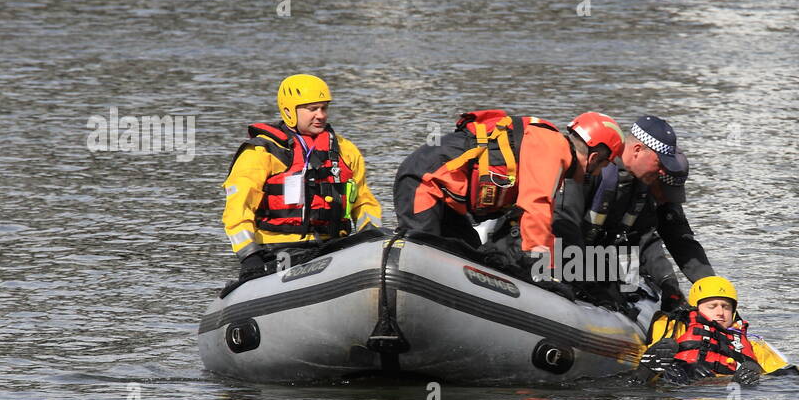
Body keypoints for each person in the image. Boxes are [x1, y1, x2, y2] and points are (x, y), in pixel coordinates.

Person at [222, 75, 381, 280]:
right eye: (312, 109)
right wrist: (249, 255)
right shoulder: (263, 152)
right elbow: (238, 208)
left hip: (334, 249)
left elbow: (364, 202)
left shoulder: (345, 150)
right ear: (289, 111)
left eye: (324, 108)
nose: (321, 115)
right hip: (279, 252)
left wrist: (370, 234)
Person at [393, 110, 573, 281]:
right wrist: (543, 270)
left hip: (448, 198)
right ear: (594, 157)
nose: (597, 174)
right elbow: (536, 206)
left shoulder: (543, 146)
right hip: (424, 180)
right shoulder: (553, 145)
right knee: (424, 257)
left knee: (473, 261)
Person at [578, 116, 716, 314]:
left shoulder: (644, 187)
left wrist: (710, 290)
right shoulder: (597, 172)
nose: (664, 200)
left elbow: (658, 241)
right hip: (574, 257)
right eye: (658, 168)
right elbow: (563, 225)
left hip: (610, 260)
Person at [638, 276, 799, 386]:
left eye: (726, 307)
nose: (720, 312)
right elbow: (655, 352)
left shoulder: (752, 344)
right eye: (712, 306)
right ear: (696, 308)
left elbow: (792, 374)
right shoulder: (676, 328)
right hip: (683, 389)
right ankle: (644, 376)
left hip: (728, 390)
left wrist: (752, 378)